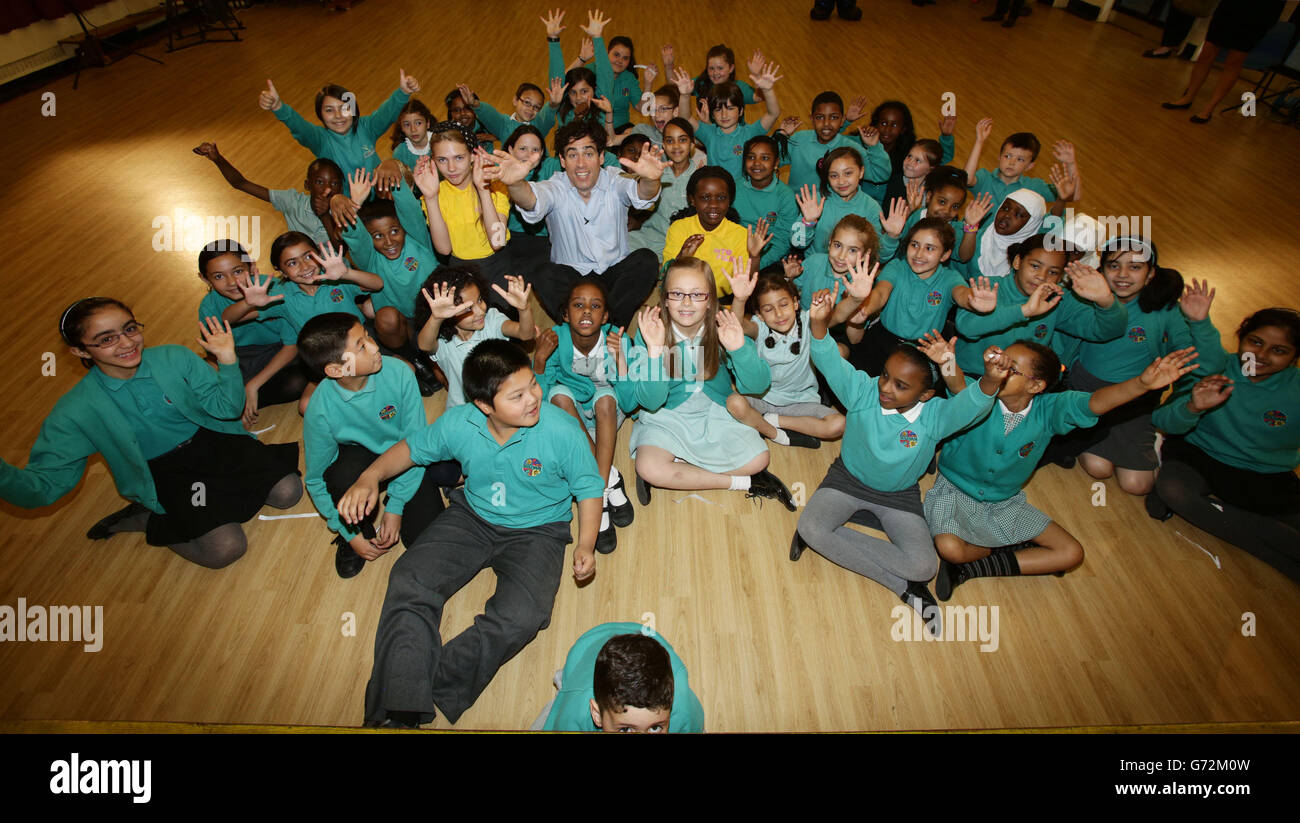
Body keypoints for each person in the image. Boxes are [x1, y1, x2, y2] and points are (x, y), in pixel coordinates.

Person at [347, 340, 604, 727]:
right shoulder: (459, 423)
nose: (533, 398)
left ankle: (427, 684)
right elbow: (411, 450)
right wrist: (370, 475)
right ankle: (400, 706)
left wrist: (585, 543)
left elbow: (588, 487)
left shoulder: (561, 429)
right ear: (484, 406)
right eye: (516, 396)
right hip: (472, 516)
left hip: (539, 531)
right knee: (409, 578)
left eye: (532, 385)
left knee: (523, 616)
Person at [0, 299, 301, 569]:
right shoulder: (75, 411)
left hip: (214, 442)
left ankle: (204, 506)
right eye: (106, 339)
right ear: (79, 351)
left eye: (129, 328)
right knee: (225, 550)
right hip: (168, 472)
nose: (126, 343)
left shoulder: (174, 357)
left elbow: (227, 409)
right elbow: (43, 487)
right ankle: (149, 519)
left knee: (289, 492)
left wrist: (227, 361)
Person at [792, 285, 1006, 635]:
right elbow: (829, 358)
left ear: (925, 394)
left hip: (898, 496)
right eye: (886, 376)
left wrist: (991, 380)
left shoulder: (935, 416)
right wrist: (818, 323)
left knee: (924, 566)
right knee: (811, 527)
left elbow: (969, 406)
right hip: (847, 480)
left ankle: (831, 536)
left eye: (901, 386)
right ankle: (902, 588)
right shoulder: (862, 390)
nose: (887, 388)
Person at [928, 340, 1199, 600]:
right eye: (1001, 362)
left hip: (1002, 501)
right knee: (950, 548)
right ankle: (1003, 547)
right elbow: (957, 384)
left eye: (1010, 368)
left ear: (1036, 385)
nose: (998, 370)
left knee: (1071, 554)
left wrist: (1141, 384)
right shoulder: (980, 395)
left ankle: (972, 568)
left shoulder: (1050, 410)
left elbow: (1094, 403)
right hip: (954, 490)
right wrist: (946, 362)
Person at [619, 257, 795, 509]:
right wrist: (656, 351)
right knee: (648, 467)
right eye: (678, 293)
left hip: (715, 413)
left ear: (710, 300)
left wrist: (738, 349)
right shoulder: (651, 332)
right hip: (667, 417)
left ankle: (682, 467)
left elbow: (757, 384)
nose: (687, 302)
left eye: (697, 294)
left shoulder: (722, 326)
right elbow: (651, 401)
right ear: (665, 300)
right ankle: (742, 483)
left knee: (760, 459)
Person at [1050, 240, 1223, 494]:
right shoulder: (1086, 297)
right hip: (1086, 390)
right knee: (1098, 467)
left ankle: (1153, 438)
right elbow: (1058, 339)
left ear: (1151, 273)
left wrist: (1200, 323)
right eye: (1114, 265)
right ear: (1101, 268)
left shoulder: (1164, 310)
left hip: (1135, 398)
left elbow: (1208, 365)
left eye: (1135, 267)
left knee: (1137, 486)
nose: (1122, 275)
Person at [1147, 308, 1300, 583]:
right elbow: (1162, 420)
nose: (1262, 355)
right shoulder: (1211, 367)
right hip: (1199, 454)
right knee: (1175, 490)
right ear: (1240, 338)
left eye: (1279, 350)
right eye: (1256, 342)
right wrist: (1193, 407)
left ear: (1294, 357)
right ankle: (1278, 556)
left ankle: (1212, 511)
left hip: (1265, 472)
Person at [298, 313, 454, 579]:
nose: (375, 347)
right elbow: (315, 480)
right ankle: (359, 532)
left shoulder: (399, 373)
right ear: (336, 370)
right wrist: (349, 533)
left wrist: (395, 506)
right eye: (361, 346)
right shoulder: (320, 409)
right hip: (358, 458)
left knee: (427, 545)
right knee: (338, 475)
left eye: (368, 336)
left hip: (405, 457)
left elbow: (416, 445)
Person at [491, 119, 667, 328]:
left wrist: (650, 179)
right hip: (572, 278)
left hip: (613, 273)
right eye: (573, 154)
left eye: (589, 153)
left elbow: (642, 194)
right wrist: (515, 183)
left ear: (601, 157)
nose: (581, 163)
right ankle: (577, 328)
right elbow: (531, 200)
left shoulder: (615, 179)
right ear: (563, 161)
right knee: (544, 273)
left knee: (646, 260)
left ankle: (609, 326)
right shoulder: (554, 185)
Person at [533, 279, 633, 554]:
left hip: (607, 418)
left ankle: (593, 494)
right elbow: (538, 399)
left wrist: (622, 361)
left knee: (605, 397)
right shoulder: (555, 338)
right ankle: (604, 487)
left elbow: (630, 400)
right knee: (559, 394)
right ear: (565, 314)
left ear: (605, 315)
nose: (586, 312)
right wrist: (539, 361)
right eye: (578, 305)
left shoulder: (618, 339)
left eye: (595, 306)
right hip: (572, 421)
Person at [332, 168, 443, 394]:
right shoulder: (369, 259)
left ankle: (433, 359)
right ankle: (415, 360)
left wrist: (395, 171)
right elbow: (356, 237)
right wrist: (347, 203)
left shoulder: (418, 240)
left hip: (436, 316)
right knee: (385, 317)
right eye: (377, 236)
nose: (389, 241)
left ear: (404, 229)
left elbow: (409, 210)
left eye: (394, 231)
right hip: (404, 326)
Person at [724, 264, 847, 448]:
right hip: (762, 398)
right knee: (733, 403)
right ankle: (776, 434)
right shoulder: (760, 327)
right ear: (760, 315)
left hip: (799, 402)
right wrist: (740, 299)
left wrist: (857, 298)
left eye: (783, 304)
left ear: (796, 303)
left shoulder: (808, 321)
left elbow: (839, 316)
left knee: (838, 424)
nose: (779, 313)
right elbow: (737, 325)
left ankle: (771, 421)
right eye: (768, 309)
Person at [196, 241, 309, 428]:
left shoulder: (276, 290)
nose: (232, 282)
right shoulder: (209, 306)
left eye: (238, 271)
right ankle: (239, 401)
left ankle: (241, 401)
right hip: (238, 357)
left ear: (252, 266)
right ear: (205, 279)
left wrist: (252, 385)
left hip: (281, 351)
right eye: (218, 276)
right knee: (197, 376)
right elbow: (216, 357)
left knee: (298, 381)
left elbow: (291, 345)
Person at [257, 73, 418, 197]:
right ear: (320, 114)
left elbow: (386, 113)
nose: (338, 115)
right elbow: (300, 127)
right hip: (347, 209)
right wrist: (278, 106)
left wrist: (403, 92)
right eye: (329, 110)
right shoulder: (320, 139)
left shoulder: (366, 127)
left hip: (380, 200)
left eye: (344, 108)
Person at [539, 622, 705, 732]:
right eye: (625, 730)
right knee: (555, 710)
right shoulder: (574, 717)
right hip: (585, 654)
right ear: (596, 714)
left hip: (652, 643)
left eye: (655, 728)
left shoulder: (684, 714)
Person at [414, 267, 535, 408]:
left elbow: (525, 334)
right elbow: (424, 345)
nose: (480, 311)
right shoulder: (443, 342)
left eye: (479, 300)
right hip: (463, 410)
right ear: (448, 313)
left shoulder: (492, 320)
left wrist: (524, 309)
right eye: (468, 309)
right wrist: (436, 318)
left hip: (504, 403)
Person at [192, 143, 343, 248]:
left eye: (335, 184)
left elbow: (342, 251)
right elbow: (241, 183)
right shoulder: (291, 201)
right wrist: (218, 160)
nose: (327, 189)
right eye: (319, 182)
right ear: (307, 185)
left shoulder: (344, 212)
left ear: (341, 188)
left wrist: (325, 218)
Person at [1161, 0, 1285, 122]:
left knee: (1234, 61)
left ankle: (1209, 109)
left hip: (1260, 11)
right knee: (1206, 53)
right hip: (1231, 6)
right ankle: (1188, 97)